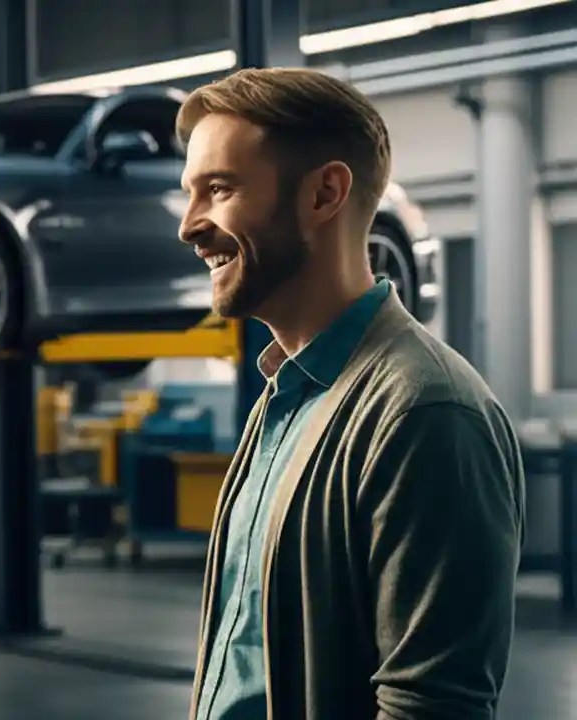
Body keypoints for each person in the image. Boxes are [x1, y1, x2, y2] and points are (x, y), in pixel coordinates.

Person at [175, 67, 525, 719]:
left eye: (218, 189)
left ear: (324, 194)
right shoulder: (287, 394)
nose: (189, 226)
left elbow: (432, 706)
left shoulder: (425, 411)